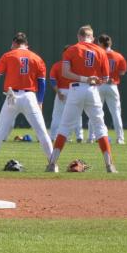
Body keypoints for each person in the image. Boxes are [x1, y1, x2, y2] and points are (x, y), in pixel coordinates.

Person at [49, 25, 116, 173]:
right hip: (92, 90)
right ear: (92, 38)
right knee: (100, 127)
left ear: (79, 37)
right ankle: (109, 165)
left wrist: (85, 78)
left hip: (76, 89)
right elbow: (104, 78)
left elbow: (66, 73)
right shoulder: (101, 51)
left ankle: (52, 164)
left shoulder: (71, 50)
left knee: (64, 126)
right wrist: (93, 80)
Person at [0, 32, 55, 169]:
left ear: (15, 43)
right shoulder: (37, 58)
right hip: (30, 97)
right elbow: (42, 84)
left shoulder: (8, 55)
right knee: (41, 131)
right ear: (26, 44)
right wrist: (40, 101)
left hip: (12, 96)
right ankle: (52, 163)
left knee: (0, 131)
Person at [48, 44, 85, 143]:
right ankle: (79, 136)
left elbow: (52, 80)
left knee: (57, 115)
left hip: (62, 91)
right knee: (77, 114)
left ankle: (53, 136)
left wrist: (58, 92)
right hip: (75, 90)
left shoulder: (57, 65)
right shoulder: (76, 66)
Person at [95, 34, 127, 145]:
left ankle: (92, 137)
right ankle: (120, 138)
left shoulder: (98, 54)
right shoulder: (118, 56)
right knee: (116, 113)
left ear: (100, 43)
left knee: (95, 112)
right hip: (112, 86)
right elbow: (122, 72)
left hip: (99, 85)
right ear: (110, 43)